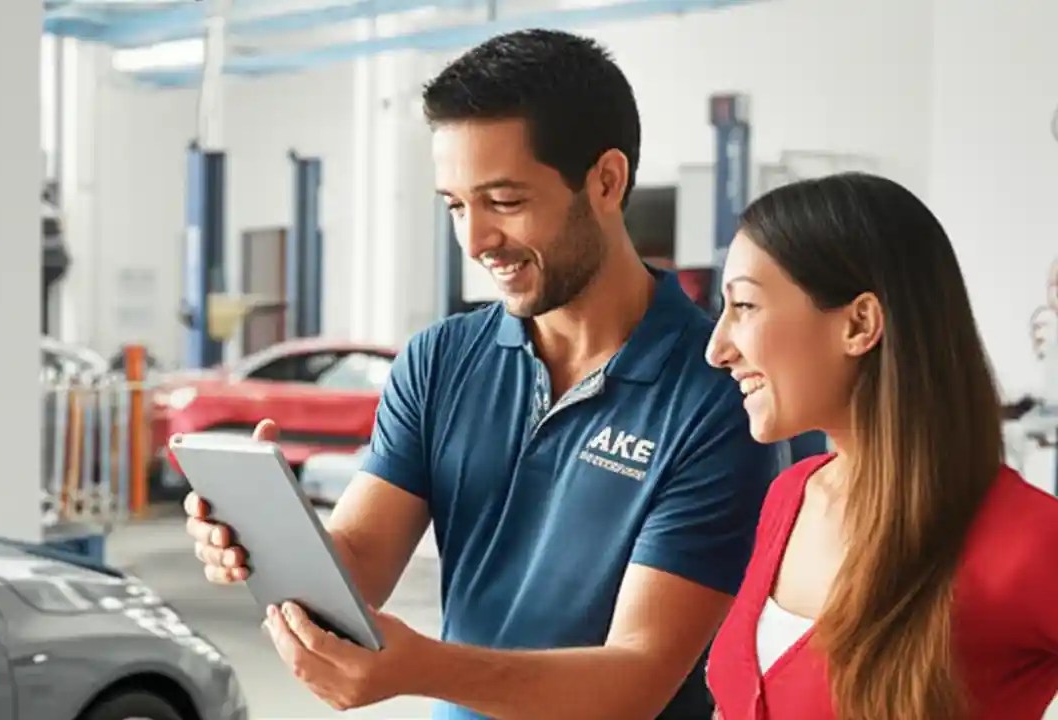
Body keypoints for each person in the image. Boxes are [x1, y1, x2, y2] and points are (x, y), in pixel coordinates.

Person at [185, 29, 781, 719]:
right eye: (456, 205)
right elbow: (362, 567)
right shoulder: (439, 361)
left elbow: (636, 680)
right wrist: (267, 540)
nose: (474, 242)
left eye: (504, 201)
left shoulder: (720, 390)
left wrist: (422, 667)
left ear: (606, 181)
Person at [703, 172, 1058, 720]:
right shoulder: (789, 496)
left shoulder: (1028, 540)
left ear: (860, 323)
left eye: (744, 306)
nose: (717, 348)